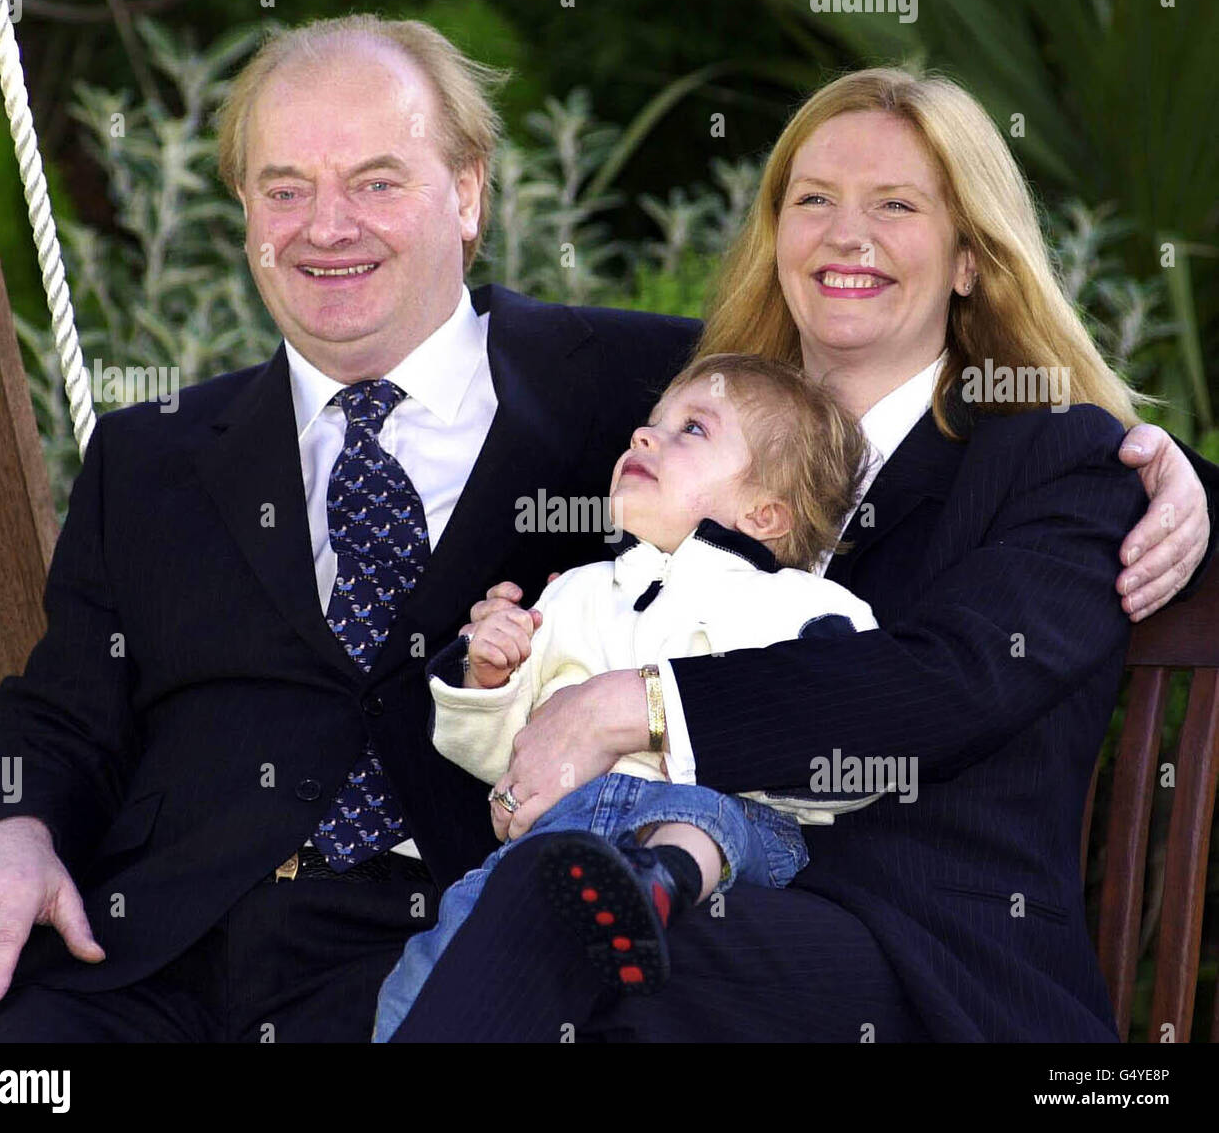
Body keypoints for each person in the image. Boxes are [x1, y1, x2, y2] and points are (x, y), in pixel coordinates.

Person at [0, 19, 1213, 1042]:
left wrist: (1201, 489)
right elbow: (55, 716)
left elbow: (943, 650)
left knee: (574, 927)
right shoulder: (153, 458)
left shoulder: (635, 395)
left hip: (563, 930)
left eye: (377, 179)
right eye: (285, 186)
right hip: (174, 951)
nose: (328, 225)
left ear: (468, 196)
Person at [384, 66, 1219, 1043]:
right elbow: (513, 346)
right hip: (670, 890)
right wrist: (502, 662)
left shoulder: (1054, 459)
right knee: (541, 913)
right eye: (813, 199)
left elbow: (951, 683)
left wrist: (636, 703)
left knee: (578, 924)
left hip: (925, 960)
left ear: (968, 257)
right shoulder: (695, 421)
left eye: (897, 205)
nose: (846, 234)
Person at [373, 353, 882, 1040]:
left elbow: (843, 730)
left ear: (765, 514)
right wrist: (486, 677)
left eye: (691, 430)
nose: (644, 437)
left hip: (728, 822)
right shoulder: (575, 593)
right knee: (420, 968)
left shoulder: (804, 605)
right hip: (555, 841)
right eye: (648, 425)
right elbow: (506, 760)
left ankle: (658, 881)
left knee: (699, 809)